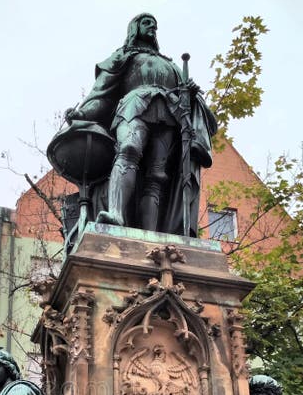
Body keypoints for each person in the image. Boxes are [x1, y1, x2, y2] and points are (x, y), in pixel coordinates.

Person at [54, 13, 217, 236]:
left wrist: (191, 93)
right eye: (146, 23)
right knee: (128, 149)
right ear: (135, 28)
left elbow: (188, 99)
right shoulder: (124, 56)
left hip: (169, 116)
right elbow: (102, 94)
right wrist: (82, 113)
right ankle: (116, 214)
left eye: (155, 25)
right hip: (133, 106)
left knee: (157, 175)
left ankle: (151, 234)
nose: (152, 27)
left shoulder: (170, 65)